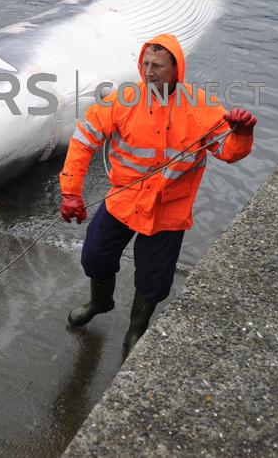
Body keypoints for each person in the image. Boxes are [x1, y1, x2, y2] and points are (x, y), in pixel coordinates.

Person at [59, 33, 256, 355]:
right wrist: (70, 192)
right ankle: (99, 301)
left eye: (158, 66)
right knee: (95, 256)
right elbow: (83, 142)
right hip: (122, 200)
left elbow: (229, 152)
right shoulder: (121, 102)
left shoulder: (202, 108)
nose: (149, 72)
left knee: (154, 279)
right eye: (146, 64)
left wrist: (243, 132)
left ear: (176, 70)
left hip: (169, 211)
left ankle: (136, 330)